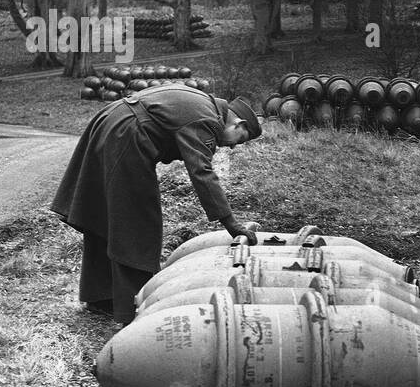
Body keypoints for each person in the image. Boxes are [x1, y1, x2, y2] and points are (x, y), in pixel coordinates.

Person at [52, 82, 263, 325]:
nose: (234, 145)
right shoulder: (207, 120)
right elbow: (202, 172)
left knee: (107, 214)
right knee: (138, 224)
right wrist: (231, 223)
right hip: (126, 135)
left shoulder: (204, 102)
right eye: (241, 138)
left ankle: (100, 296)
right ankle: (132, 307)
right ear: (239, 124)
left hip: (111, 122)